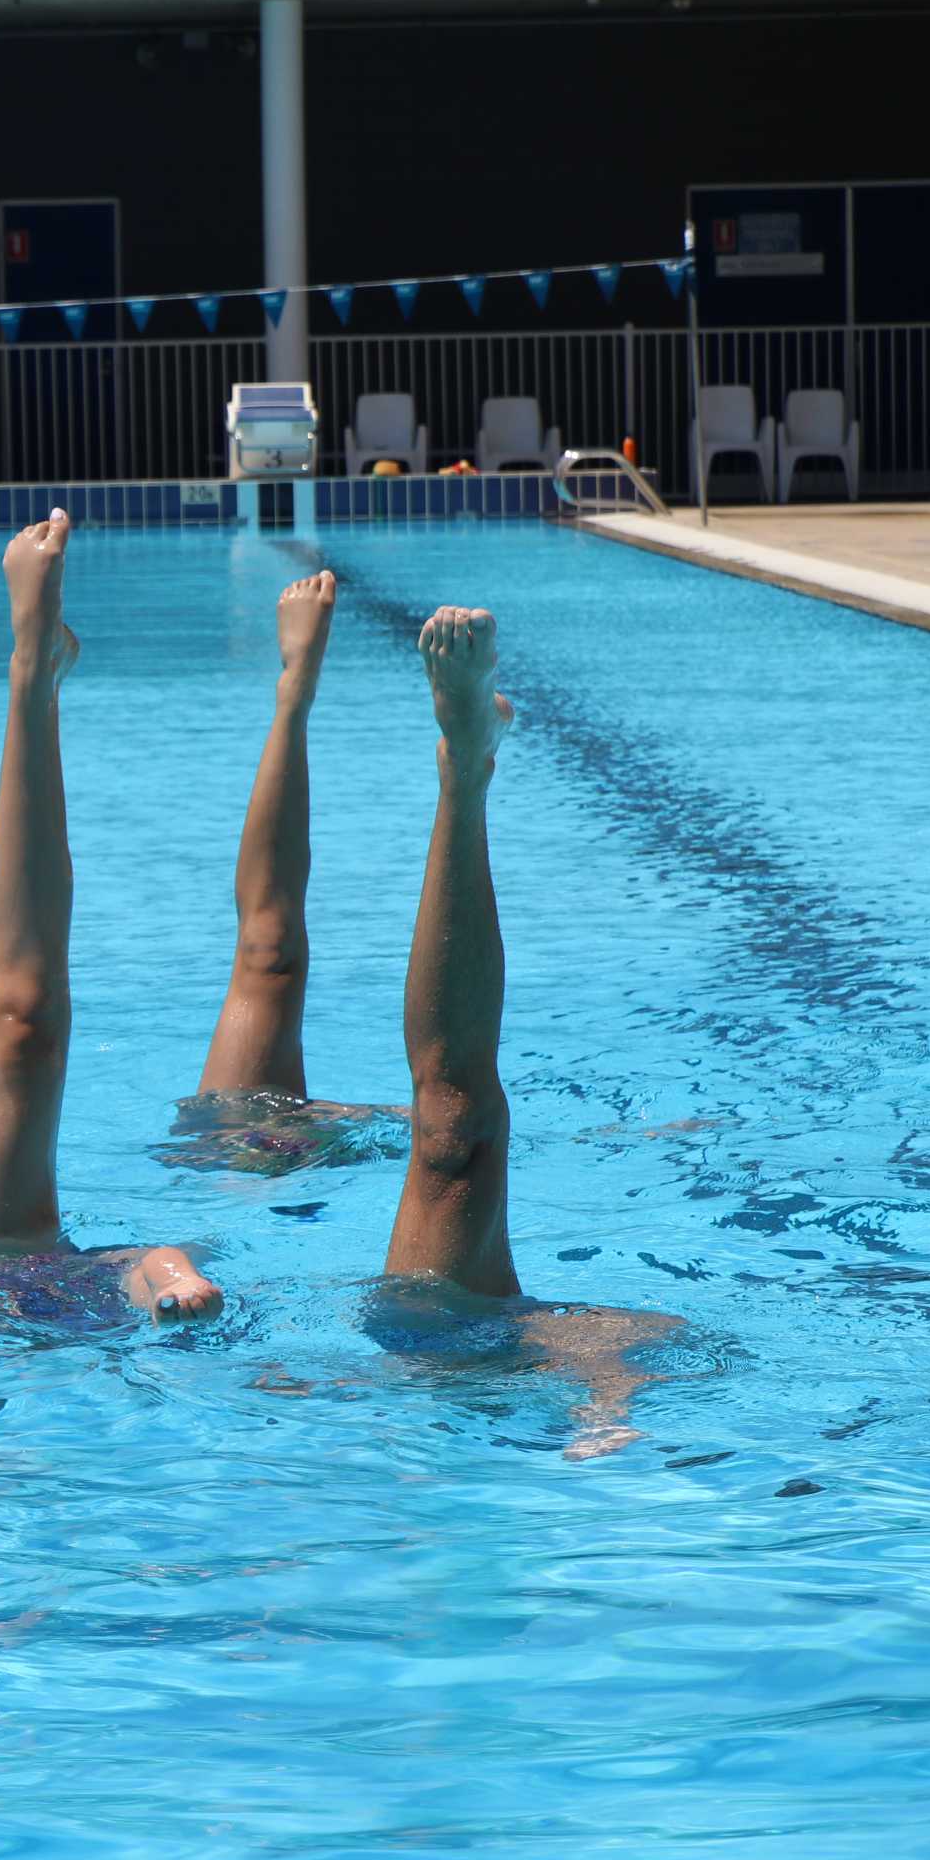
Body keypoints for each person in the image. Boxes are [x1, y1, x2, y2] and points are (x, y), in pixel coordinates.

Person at [376, 603, 674, 1456]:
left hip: (425, 1342)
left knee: (450, 1128)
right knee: (451, 1126)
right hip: (462, 1358)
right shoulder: (580, 1348)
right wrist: (611, 1400)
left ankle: (463, 767)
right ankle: (464, 768)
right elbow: (631, 1344)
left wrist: (607, 1405)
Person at [0, 509, 220, 1321]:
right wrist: (167, 1272)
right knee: (25, 1017)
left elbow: (156, 1264)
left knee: (22, 1020)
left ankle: (34, 668)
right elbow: (153, 1260)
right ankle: (32, 668)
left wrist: (168, 1279)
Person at [168, 567, 404, 1176]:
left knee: (268, 952)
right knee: (270, 951)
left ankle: (295, 693)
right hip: (262, 1144)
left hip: (231, 1143)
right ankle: (296, 693)